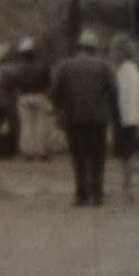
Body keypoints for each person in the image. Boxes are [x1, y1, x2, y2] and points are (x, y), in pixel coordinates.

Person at [49, 28, 118, 207]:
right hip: (98, 120)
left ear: (79, 47)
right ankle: (98, 194)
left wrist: (60, 110)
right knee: (97, 158)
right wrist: (112, 114)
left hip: (73, 119)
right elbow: (113, 92)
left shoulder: (64, 67)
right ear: (94, 48)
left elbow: (54, 93)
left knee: (78, 158)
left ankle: (81, 195)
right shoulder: (104, 67)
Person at [111, 34, 139, 199]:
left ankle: (127, 187)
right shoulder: (134, 70)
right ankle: (127, 187)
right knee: (128, 154)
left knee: (126, 155)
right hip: (132, 116)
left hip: (124, 117)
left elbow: (121, 96)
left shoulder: (124, 71)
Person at [12, 37, 54, 160]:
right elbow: (49, 81)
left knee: (26, 125)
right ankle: (42, 151)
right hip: (40, 96)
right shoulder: (43, 65)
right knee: (42, 124)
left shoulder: (19, 67)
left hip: (24, 96)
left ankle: (27, 151)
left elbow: (15, 82)